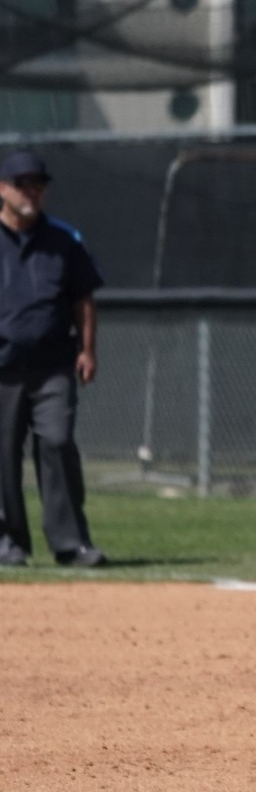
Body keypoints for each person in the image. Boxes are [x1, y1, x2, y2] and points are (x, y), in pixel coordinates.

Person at [0, 150, 106, 568]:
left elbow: (84, 298)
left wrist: (87, 349)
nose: (32, 192)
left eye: (38, 185)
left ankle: (70, 543)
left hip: (53, 365)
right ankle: (8, 543)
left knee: (58, 442)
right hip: (2, 366)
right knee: (2, 454)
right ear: (2, 189)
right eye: (23, 184)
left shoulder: (63, 240)